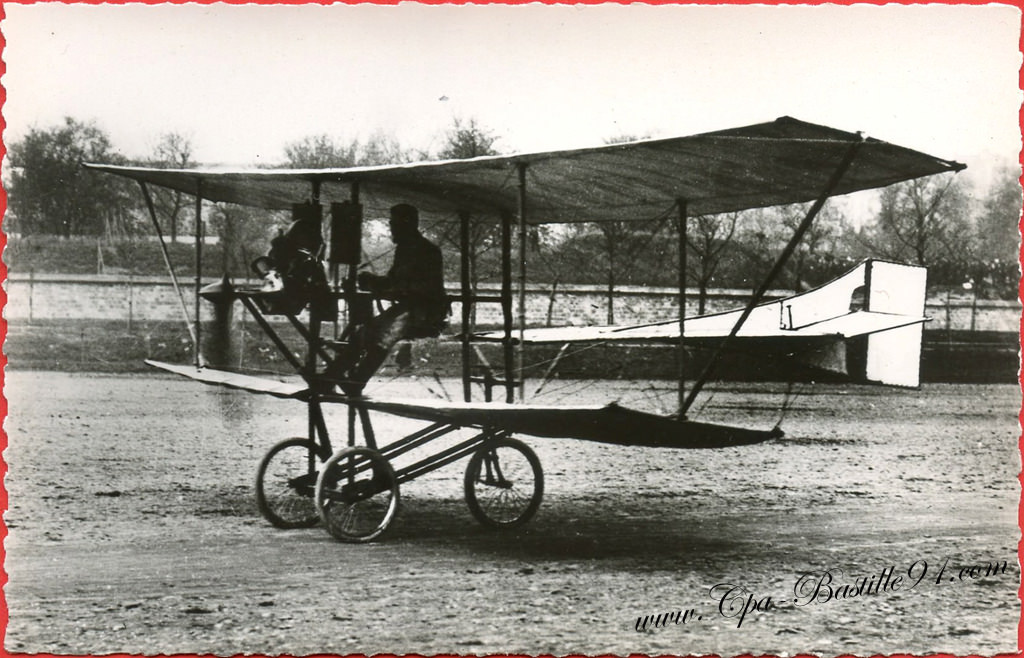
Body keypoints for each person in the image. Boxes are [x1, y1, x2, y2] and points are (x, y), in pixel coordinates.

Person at [325, 203, 447, 395]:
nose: (392, 229)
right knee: (366, 335)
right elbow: (395, 282)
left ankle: (340, 380)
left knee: (376, 335)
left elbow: (408, 287)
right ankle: (336, 379)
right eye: (392, 224)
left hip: (426, 311)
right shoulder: (406, 249)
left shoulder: (425, 251)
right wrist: (370, 281)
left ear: (408, 224)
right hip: (411, 308)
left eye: (395, 224)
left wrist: (374, 283)